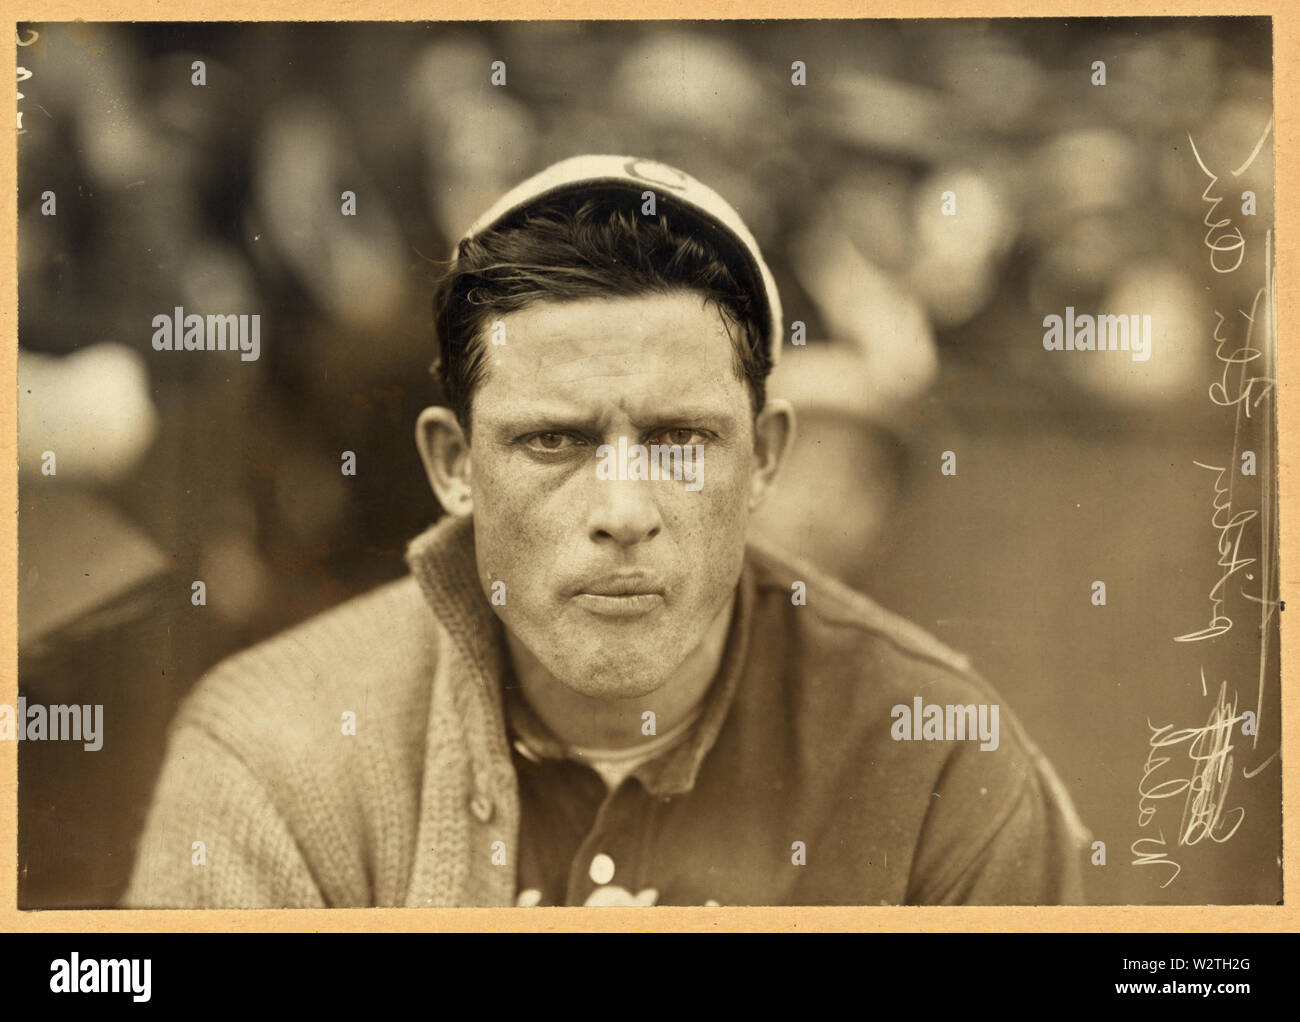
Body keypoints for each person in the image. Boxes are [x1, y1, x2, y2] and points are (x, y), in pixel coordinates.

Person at [123, 155, 1088, 908]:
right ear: (455, 467)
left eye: (680, 439)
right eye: (551, 440)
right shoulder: (272, 749)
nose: (622, 512)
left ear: (764, 457)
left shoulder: (938, 762)